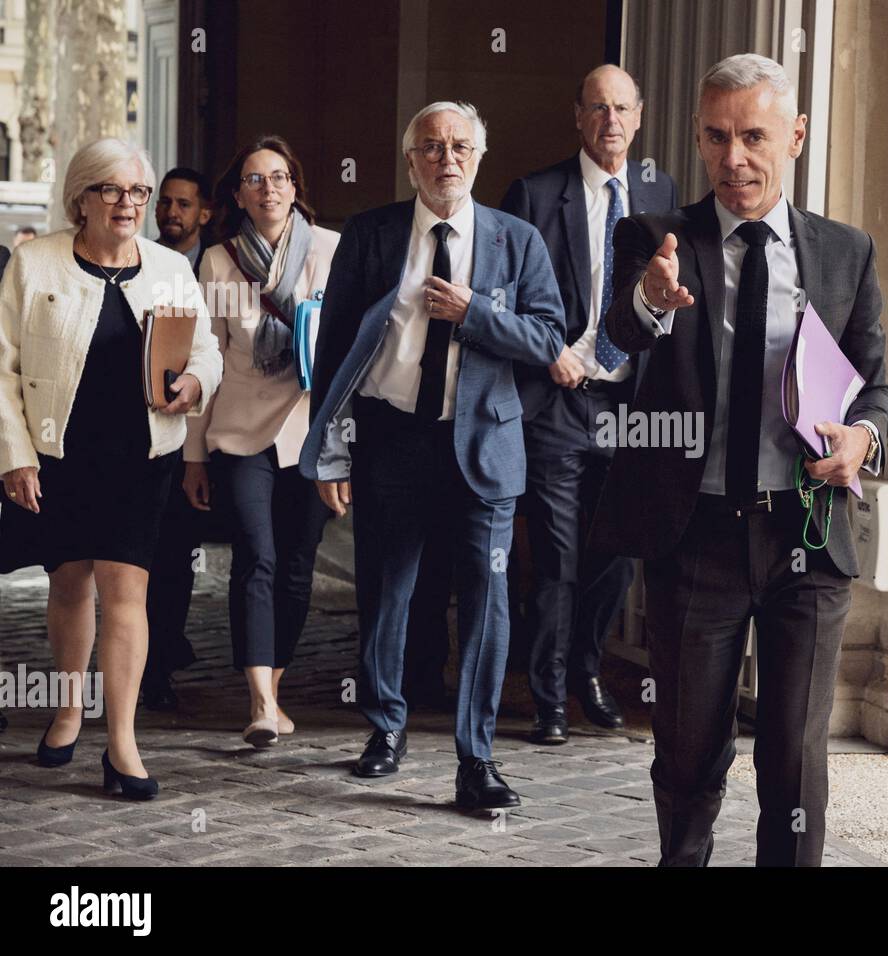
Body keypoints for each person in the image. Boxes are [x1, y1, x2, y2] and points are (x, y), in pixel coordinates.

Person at [590, 54, 888, 866]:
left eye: (754, 136)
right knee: (689, 754)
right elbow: (614, 340)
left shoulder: (844, 252)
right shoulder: (655, 240)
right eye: (717, 138)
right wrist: (650, 301)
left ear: (793, 137)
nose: (735, 159)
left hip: (808, 536)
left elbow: (875, 391)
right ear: (696, 138)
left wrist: (863, 438)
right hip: (699, 538)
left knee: (793, 761)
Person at [300, 101, 565, 809]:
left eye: (459, 146)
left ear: (478, 156)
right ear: (410, 158)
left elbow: (549, 342)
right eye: (430, 146)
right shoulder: (372, 234)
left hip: (483, 446)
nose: (446, 158)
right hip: (393, 443)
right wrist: (332, 453)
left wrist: (475, 312)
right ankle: (385, 727)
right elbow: (334, 357)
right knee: (387, 594)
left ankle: (476, 760)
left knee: (486, 604)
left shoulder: (518, 241)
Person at [0, 137, 222, 800]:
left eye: (138, 192)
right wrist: (14, 457)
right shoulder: (33, 263)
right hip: (58, 452)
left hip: (140, 454)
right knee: (69, 587)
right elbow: (2, 368)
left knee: (127, 594)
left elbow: (206, 350)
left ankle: (122, 742)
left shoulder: (169, 269)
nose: (128, 203)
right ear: (83, 197)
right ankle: (69, 711)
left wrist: (195, 385)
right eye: (112, 190)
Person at [501, 64, 677, 745]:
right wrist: (550, 351)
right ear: (578, 115)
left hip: (631, 406)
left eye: (622, 108)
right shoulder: (536, 194)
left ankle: (586, 669)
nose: (611, 121)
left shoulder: (660, 192)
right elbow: (505, 296)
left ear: (639, 117)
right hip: (557, 400)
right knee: (555, 557)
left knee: (618, 554)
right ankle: (547, 696)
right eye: (598, 108)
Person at [182, 136, 340, 748]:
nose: (268, 188)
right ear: (239, 196)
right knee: (257, 556)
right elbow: (208, 360)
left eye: (279, 177)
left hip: (310, 433)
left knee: (297, 565)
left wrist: (345, 449)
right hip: (239, 432)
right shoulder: (218, 262)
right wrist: (195, 454)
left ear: (295, 187)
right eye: (254, 179)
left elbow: (354, 359)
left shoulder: (331, 251)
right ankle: (260, 702)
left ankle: (274, 690)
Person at [142, 166, 216, 710]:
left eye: (183, 204)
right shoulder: (141, 261)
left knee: (178, 553)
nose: (171, 212)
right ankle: (148, 664)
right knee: (145, 553)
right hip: (146, 432)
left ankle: (163, 656)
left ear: (204, 213)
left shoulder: (218, 267)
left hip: (204, 433)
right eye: (164, 202)